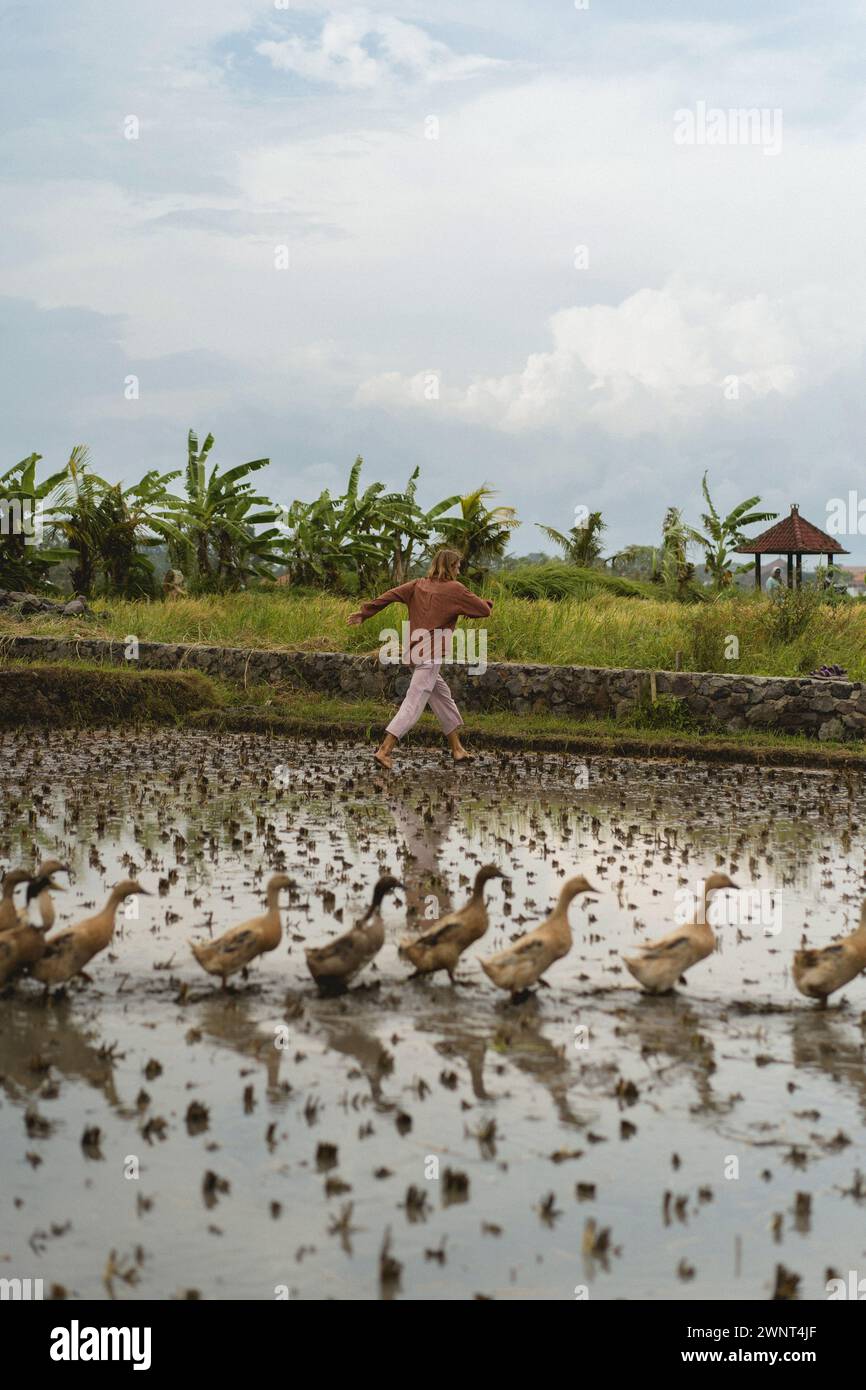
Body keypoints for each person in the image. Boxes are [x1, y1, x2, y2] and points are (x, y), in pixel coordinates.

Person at [348, 549, 492, 770]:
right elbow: (483, 611)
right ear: (452, 567)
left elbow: (388, 596)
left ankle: (458, 749)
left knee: (442, 698)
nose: (460, 570)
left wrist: (365, 613)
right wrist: (483, 603)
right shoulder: (456, 589)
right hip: (431, 654)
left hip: (415, 651)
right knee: (414, 702)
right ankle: (385, 750)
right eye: (458, 566)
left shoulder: (417, 585)